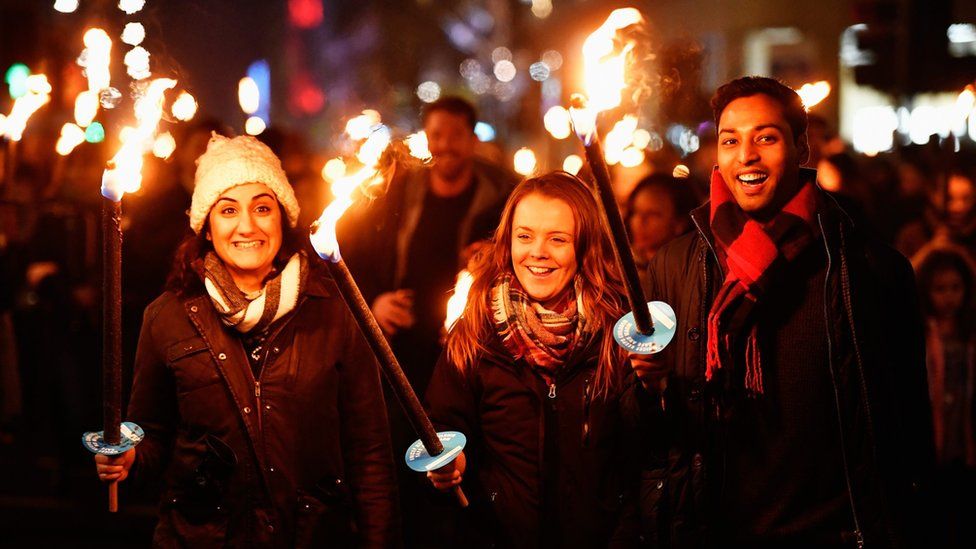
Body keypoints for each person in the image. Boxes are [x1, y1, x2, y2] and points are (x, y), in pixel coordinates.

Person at [631, 77, 935, 548]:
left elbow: (909, 426)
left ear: (800, 149)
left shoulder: (871, 267)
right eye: (730, 140)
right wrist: (649, 387)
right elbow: (650, 432)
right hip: (715, 532)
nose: (746, 155)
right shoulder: (676, 263)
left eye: (766, 138)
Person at [94, 134, 398, 547]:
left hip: (311, 536)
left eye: (262, 208)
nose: (247, 226)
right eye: (228, 210)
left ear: (281, 217)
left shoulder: (336, 309)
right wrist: (129, 455)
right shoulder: (167, 316)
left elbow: (370, 451)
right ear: (206, 225)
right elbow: (151, 431)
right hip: (205, 537)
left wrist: (379, 540)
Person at [424, 172, 641, 548]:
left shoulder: (620, 331)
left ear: (584, 246)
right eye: (524, 236)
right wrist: (447, 463)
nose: (537, 252)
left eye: (558, 239)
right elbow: (440, 424)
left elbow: (642, 454)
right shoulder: (476, 330)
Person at [338, 95, 517, 546]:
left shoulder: (500, 201)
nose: (446, 145)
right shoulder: (397, 194)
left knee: (459, 464)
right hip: (402, 354)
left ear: (473, 140)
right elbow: (353, 256)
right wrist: (376, 301)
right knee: (400, 466)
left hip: (462, 354)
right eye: (437, 135)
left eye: (456, 135)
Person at [912, 244, 976, 548]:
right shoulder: (921, 330)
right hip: (931, 437)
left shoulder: (969, 331)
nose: (949, 296)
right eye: (939, 288)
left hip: (963, 437)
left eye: (955, 287)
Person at [624, 173, 696, 294]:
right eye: (635, 211)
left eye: (653, 214)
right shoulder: (622, 271)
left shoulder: (689, 276)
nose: (640, 221)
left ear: (680, 223)